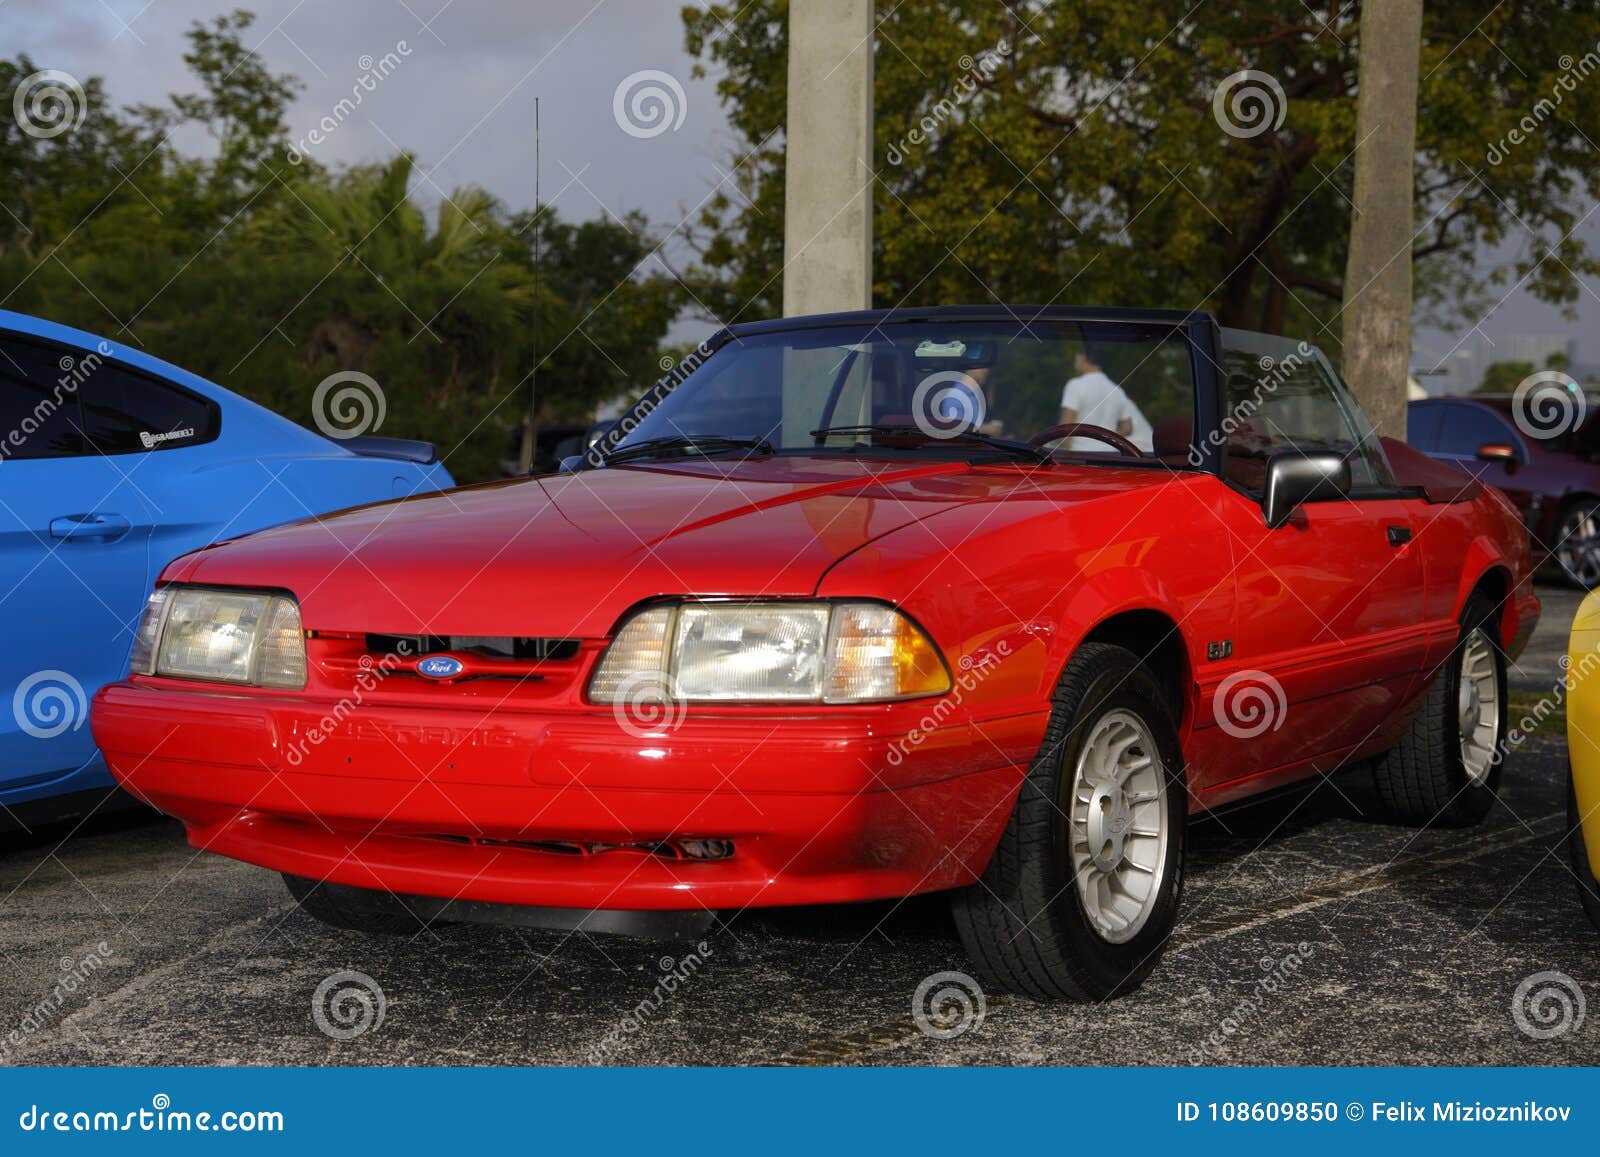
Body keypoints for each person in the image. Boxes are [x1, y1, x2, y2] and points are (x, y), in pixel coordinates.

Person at [1059, 348, 1153, 452]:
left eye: (1076, 358)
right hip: (1108, 456)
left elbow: (1066, 430)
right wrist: (1105, 440)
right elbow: (1127, 427)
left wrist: (1063, 451)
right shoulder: (1117, 389)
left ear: (1083, 357)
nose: (1075, 362)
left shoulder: (1075, 385)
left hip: (1081, 455)